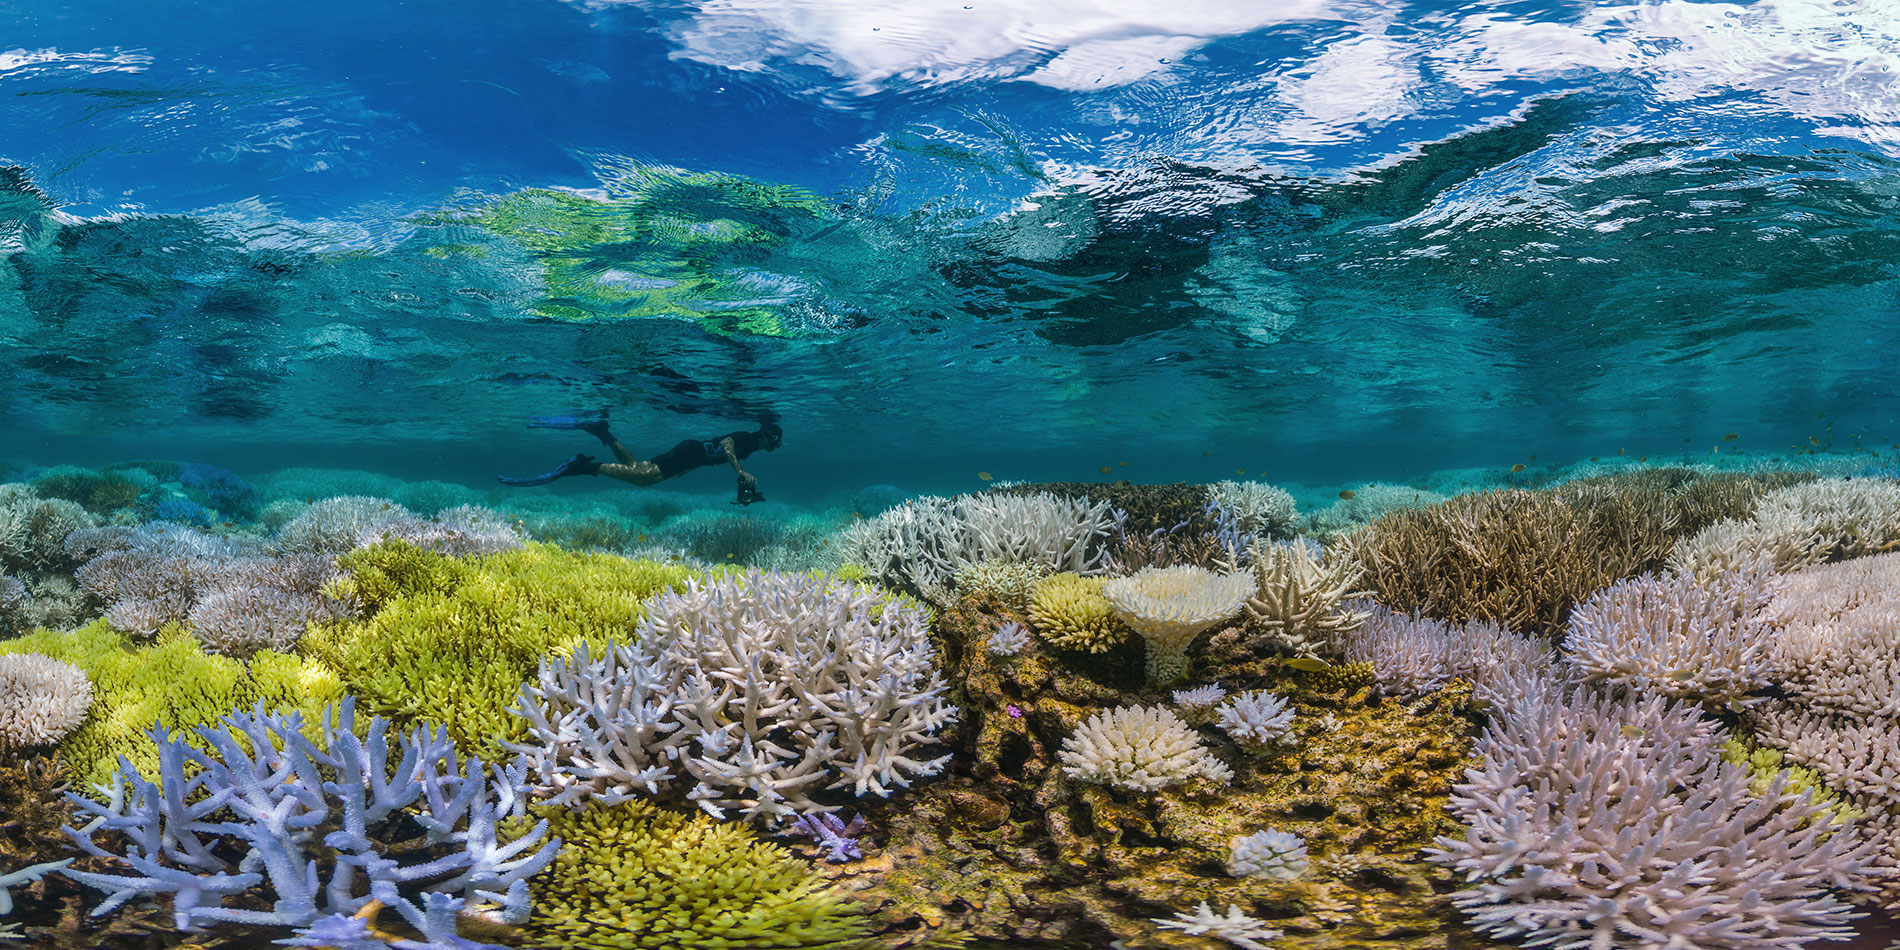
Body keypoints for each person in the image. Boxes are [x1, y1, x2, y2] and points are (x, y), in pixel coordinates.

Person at [499, 413, 782, 505]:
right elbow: (726, 444)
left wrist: (688, 469)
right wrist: (740, 471)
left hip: (689, 457)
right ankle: (584, 466)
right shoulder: (746, 440)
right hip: (688, 452)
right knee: (643, 480)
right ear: (766, 435)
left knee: (636, 469)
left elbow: (716, 453)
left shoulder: (751, 447)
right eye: (774, 441)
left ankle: (602, 432)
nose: (773, 447)